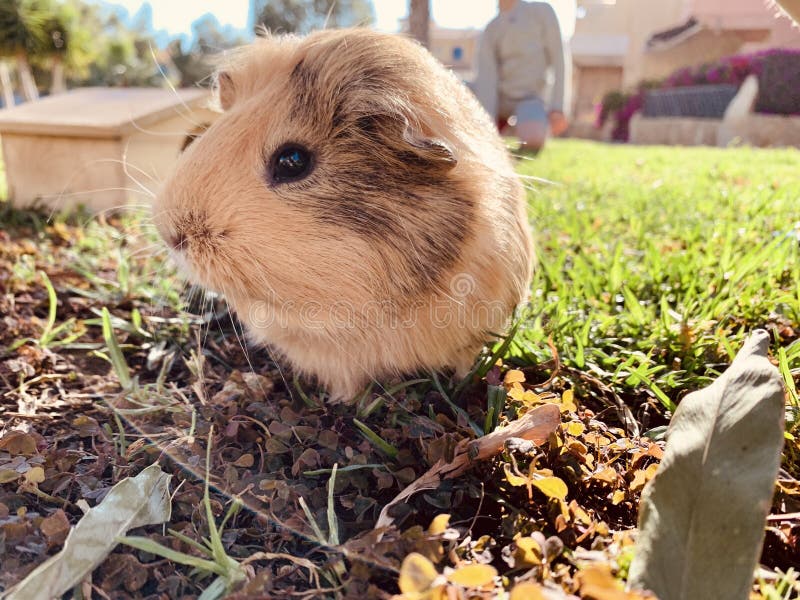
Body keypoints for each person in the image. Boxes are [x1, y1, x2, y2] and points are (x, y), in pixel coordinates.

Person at [473, 0, 571, 152]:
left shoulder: (541, 12)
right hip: (501, 99)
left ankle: (526, 126)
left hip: (530, 99)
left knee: (533, 139)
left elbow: (559, 59)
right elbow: (487, 80)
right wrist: (486, 127)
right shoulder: (491, 29)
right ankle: (496, 130)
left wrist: (558, 108)